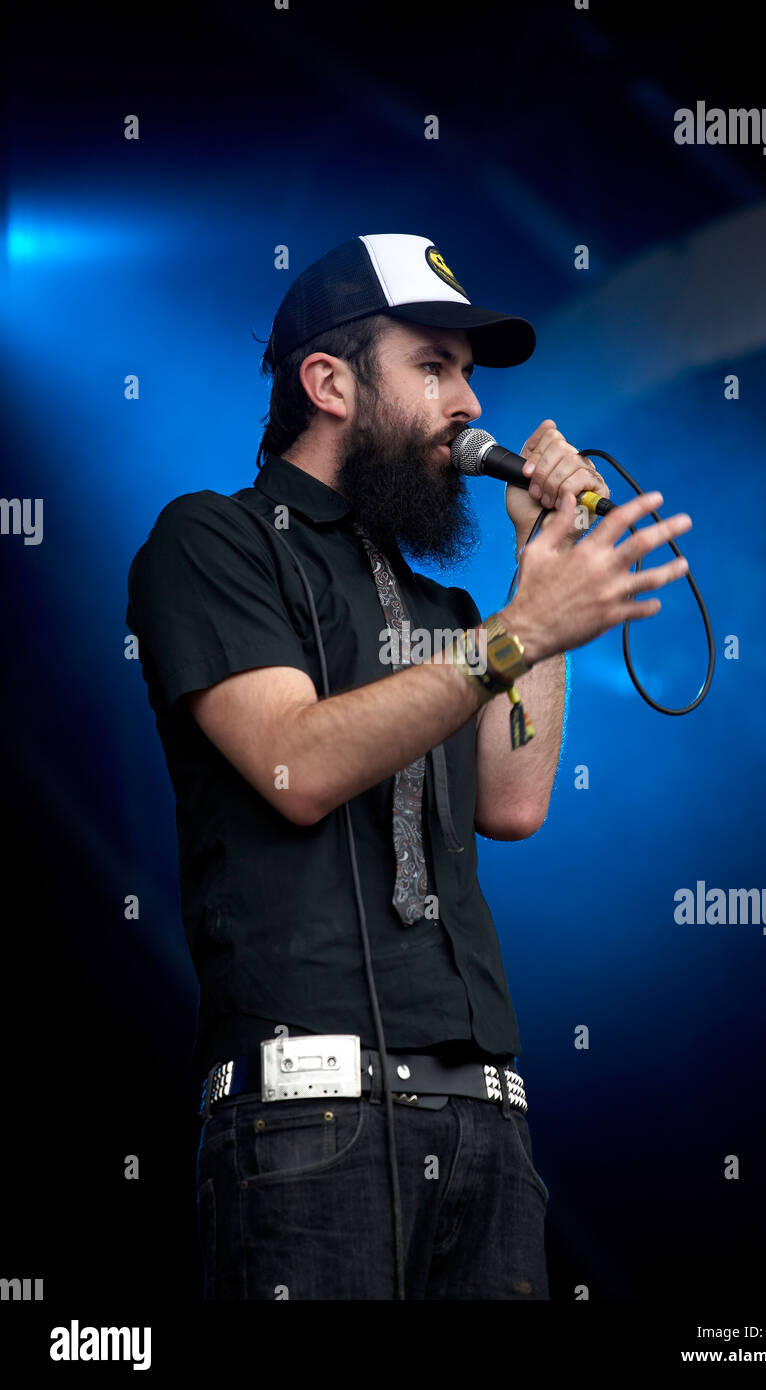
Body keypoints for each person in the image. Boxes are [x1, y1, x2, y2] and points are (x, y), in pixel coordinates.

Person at [125, 232, 691, 1301]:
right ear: (328, 382)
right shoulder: (211, 541)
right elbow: (292, 766)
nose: (469, 405)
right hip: (308, 1119)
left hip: (484, 1115)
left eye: (468, 375)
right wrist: (518, 635)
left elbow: (515, 803)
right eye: (433, 367)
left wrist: (537, 577)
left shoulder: (450, 612)